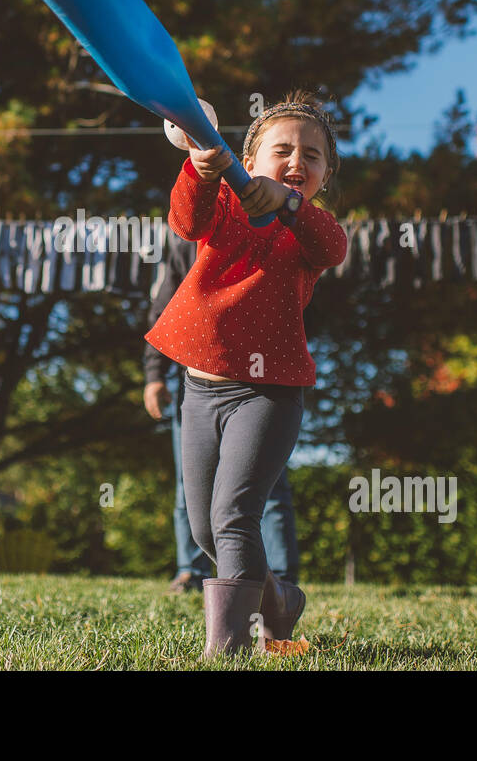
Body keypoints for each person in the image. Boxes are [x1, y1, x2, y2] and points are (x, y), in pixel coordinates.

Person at [144, 90, 346, 658]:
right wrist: (201, 169)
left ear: (325, 175)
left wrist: (289, 203)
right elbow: (186, 221)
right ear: (250, 159)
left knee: (234, 515)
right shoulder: (227, 207)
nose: (297, 161)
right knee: (208, 529)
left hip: (268, 394)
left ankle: (226, 651)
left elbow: (332, 247)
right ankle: (280, 602)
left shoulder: (312, 227)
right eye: (282, 149)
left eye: (312, 155)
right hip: (200, 389)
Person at [143, 230, 301, 596]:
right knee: (194, 493)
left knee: (265, 490)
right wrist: (154, 374)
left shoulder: (286, 229)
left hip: (266, 386)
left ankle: (278, 578)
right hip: (200, 385)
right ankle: (193, 571)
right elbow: (167, 301)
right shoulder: (192, 235)